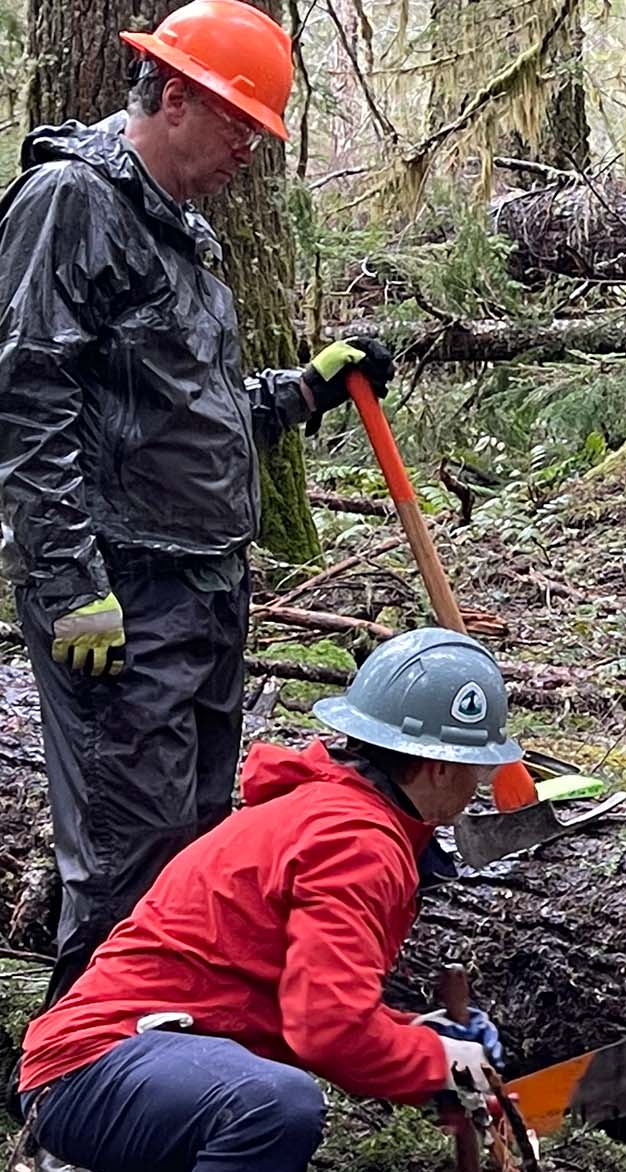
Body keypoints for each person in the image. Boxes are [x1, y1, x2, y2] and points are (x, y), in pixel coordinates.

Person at [0, 0, 396, 1022]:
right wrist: (70, 587)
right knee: (125, 858)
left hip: (209, 586)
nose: (246, 156)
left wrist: (302, 387)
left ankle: (164, 1063)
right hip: (122, 593)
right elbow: (28, 400)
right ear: (173, 94)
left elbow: (183, 409)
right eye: (237, 128)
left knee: (195, 847)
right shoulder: (68, 200)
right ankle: (70, 1096)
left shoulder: (183, 232)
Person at [0, 629, 514, 1172]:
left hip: (177, 1075)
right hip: (98, 1064)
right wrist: (437, 1065)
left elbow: (309, 1002)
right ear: (437, 764)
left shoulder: (339, 817)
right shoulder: (356, 840)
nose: (476, 790)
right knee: (275, 1104)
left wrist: (423, 1047)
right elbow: (327, 1029)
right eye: (474, 769)